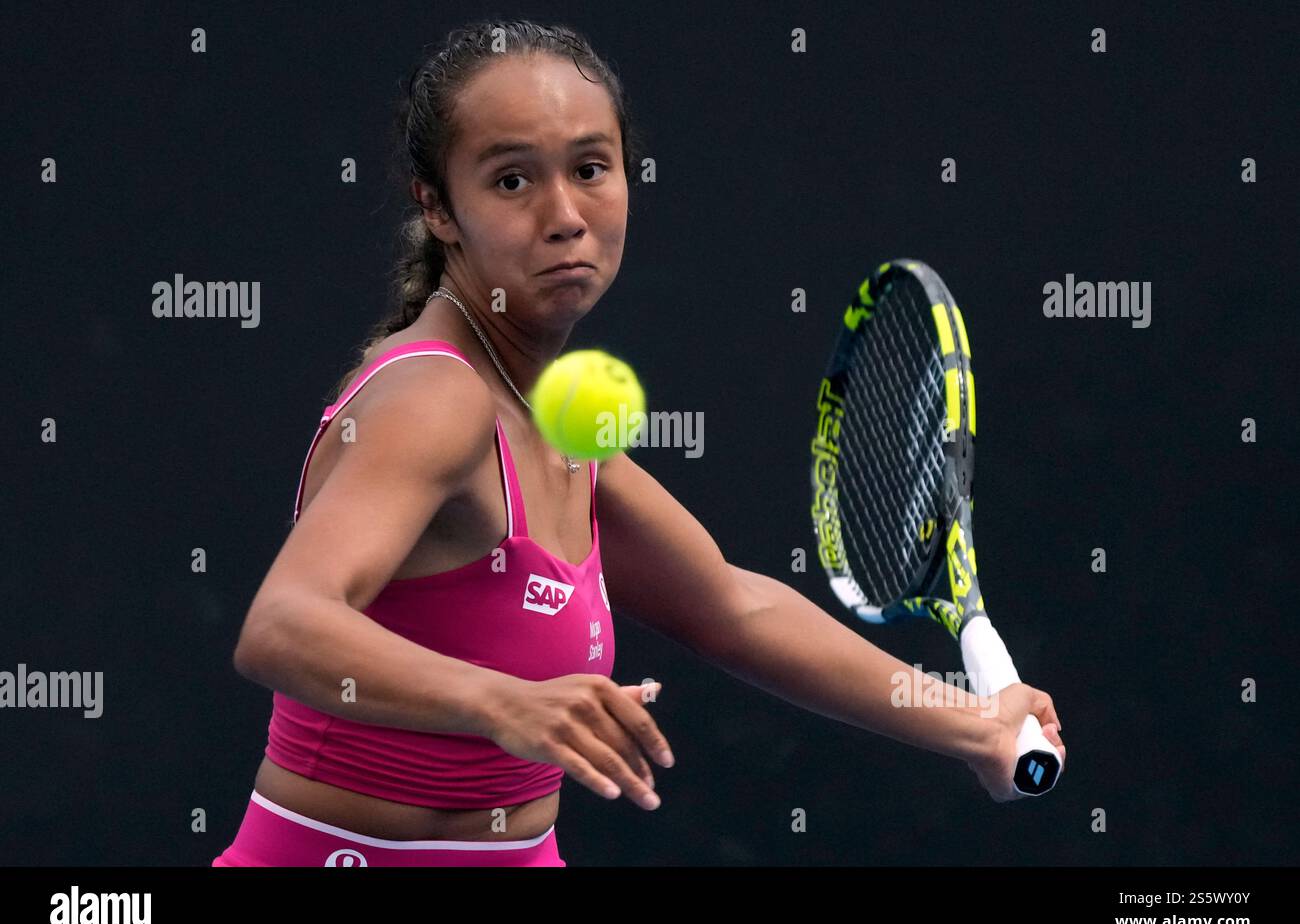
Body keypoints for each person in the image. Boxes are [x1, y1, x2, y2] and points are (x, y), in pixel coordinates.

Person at [213, 20, 1065, 868]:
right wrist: (506, 703)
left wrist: (973, 723)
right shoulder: (436, 398)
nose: (565, 216)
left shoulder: (550, 418)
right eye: (511, 180)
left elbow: (734, 609)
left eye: (590, 169)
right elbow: (282, 627)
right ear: (437, 206)